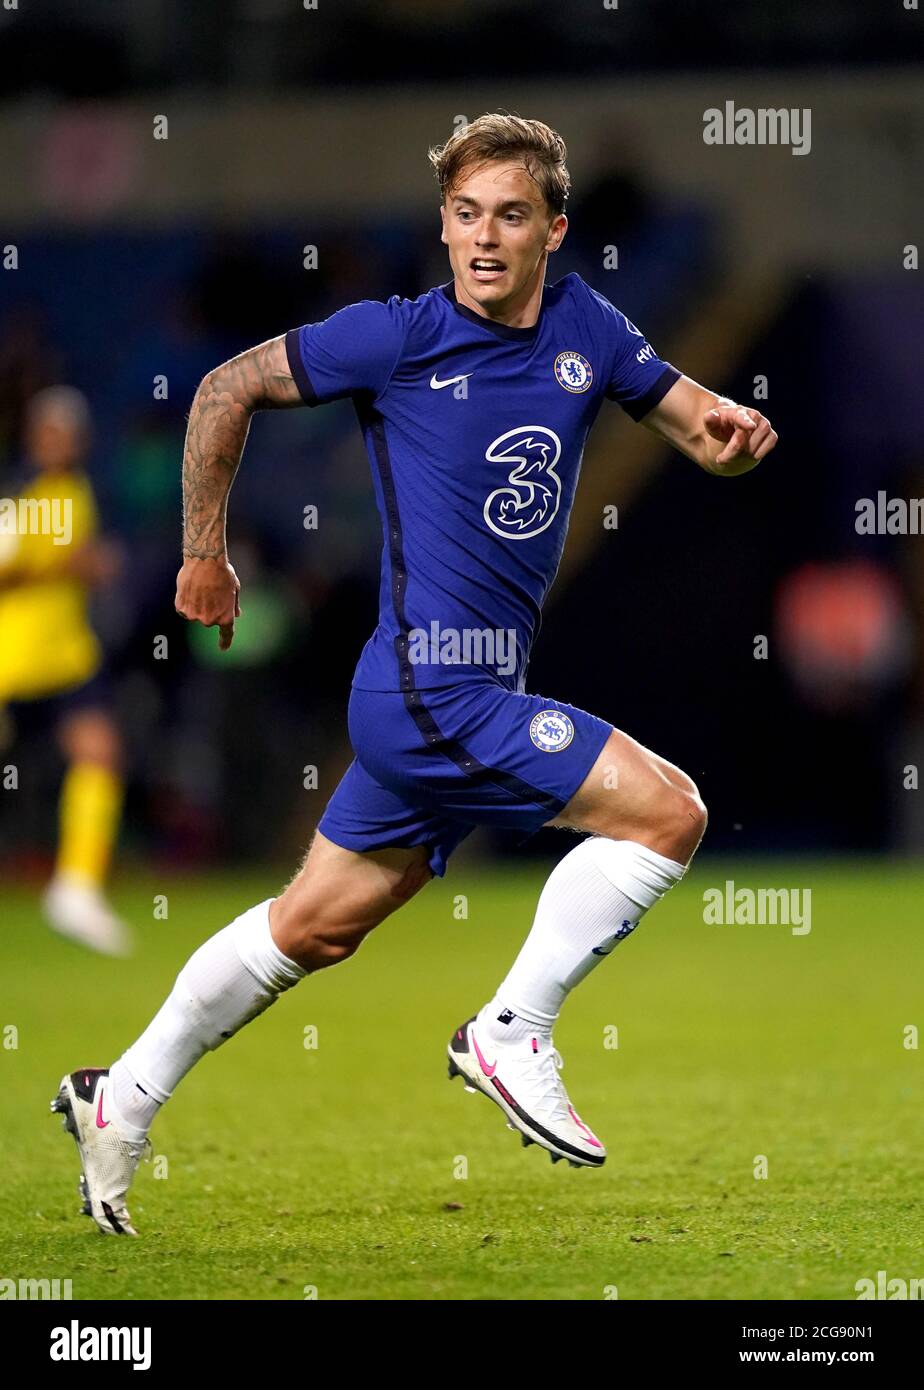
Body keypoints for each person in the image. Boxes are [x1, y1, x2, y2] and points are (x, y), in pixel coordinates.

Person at [51, 114, 776, 1235]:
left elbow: (686, 415)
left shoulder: (586, 321)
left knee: (313, 927)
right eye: (465, 215)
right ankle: (511, 1029)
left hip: (448, 702)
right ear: (442, 225)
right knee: (668, 815)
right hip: (435, 691)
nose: (485, 239)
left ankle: (120, 1096)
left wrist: (722, 431)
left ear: (554, 230)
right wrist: (204, 551)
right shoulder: (390, 336)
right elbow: (221, 390)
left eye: (511, 216)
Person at [0, 386, 128, 955]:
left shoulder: (76, 488)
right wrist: (69, 563)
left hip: (67, 655)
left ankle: (75, 887)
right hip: (15, 660)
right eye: (51, 430)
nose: (60, 440)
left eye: (69, 431)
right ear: (34, 434)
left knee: (98, 752)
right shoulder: (19, 490)